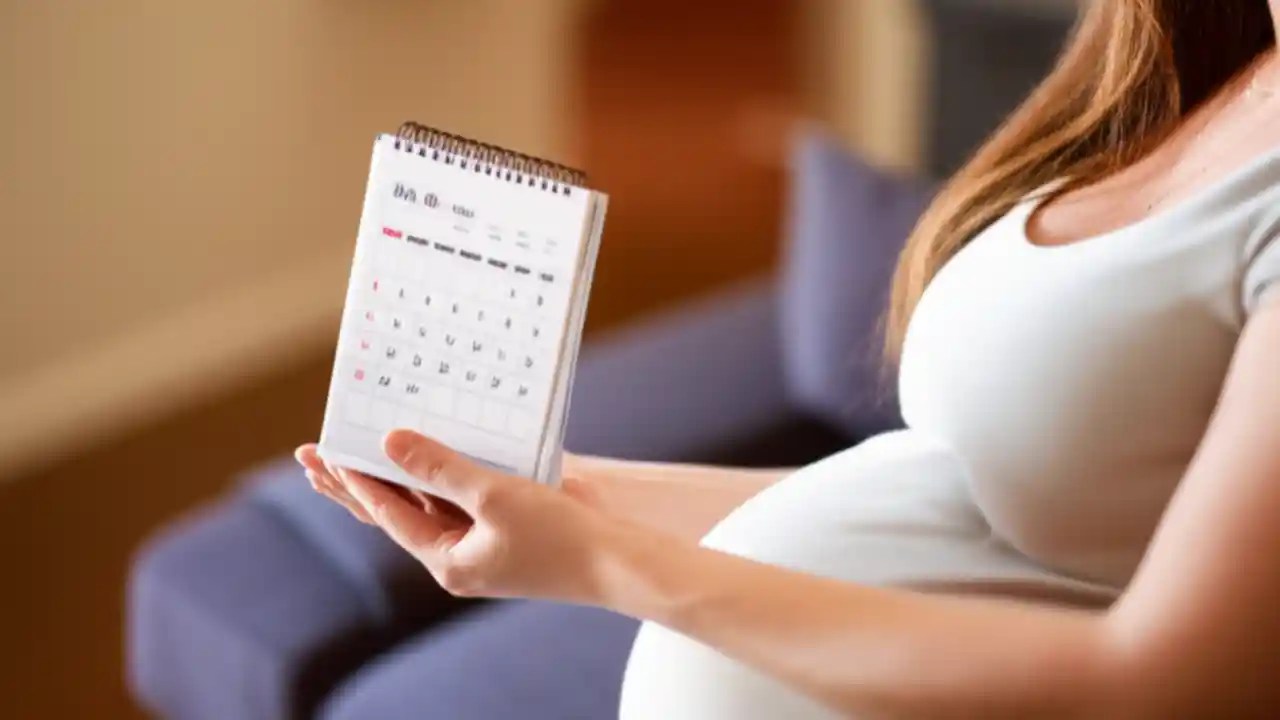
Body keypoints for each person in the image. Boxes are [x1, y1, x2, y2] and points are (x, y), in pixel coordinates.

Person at [296, 1, 1280, 716]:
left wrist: (602, 563)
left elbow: (1157, 684)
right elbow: (947, 504)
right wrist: (570, 495)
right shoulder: (1208, 67)